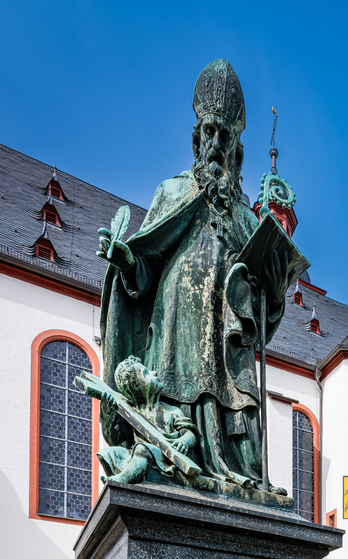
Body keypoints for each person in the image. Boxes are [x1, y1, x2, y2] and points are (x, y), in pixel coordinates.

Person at [97, 58, 291, 488]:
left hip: (227, 350)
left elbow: (260, 311)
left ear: (237, 148)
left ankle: (239, 474)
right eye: (210, 132)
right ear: (195, 138)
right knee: (172, 404)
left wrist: (274, 292)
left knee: (242, 417)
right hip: (175, 332)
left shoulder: (246, 217)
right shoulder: (172, 191)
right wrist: (126, 259)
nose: (217, 143)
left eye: (226, 135)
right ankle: (161, 452)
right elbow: (143, 274)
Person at [97, 357, 201, 485]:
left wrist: (184, 441)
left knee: (143, 448)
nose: (154, 373)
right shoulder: (130, 412)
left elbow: (189, 432)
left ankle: (123, 479)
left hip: (165, 458)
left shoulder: (172, 411)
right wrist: (107, 419)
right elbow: (114, 440)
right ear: (136, 386)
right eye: (146, 373)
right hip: (138, 456)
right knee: (108, 452)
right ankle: (121, 482)